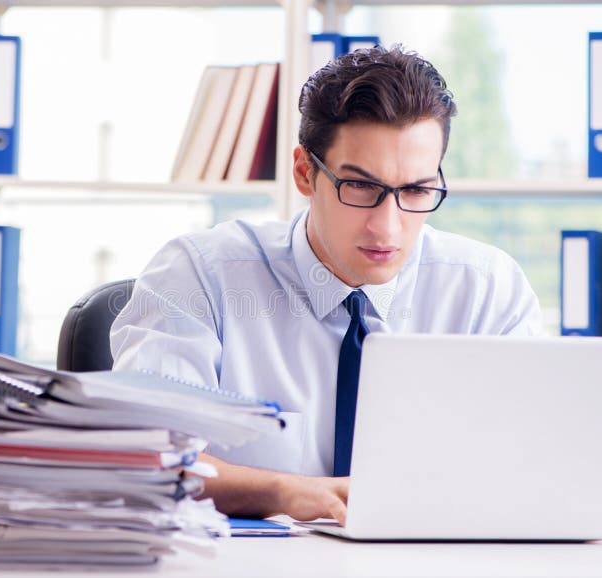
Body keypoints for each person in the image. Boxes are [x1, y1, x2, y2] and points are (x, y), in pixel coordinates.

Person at [110, 44, 541, 525]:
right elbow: (148, 456)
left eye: (417, 191)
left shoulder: (487, 290)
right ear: (304, 173)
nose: (388, 228)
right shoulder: (198, 276)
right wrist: (283, 492)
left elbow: (532, 463)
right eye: (360, 187)